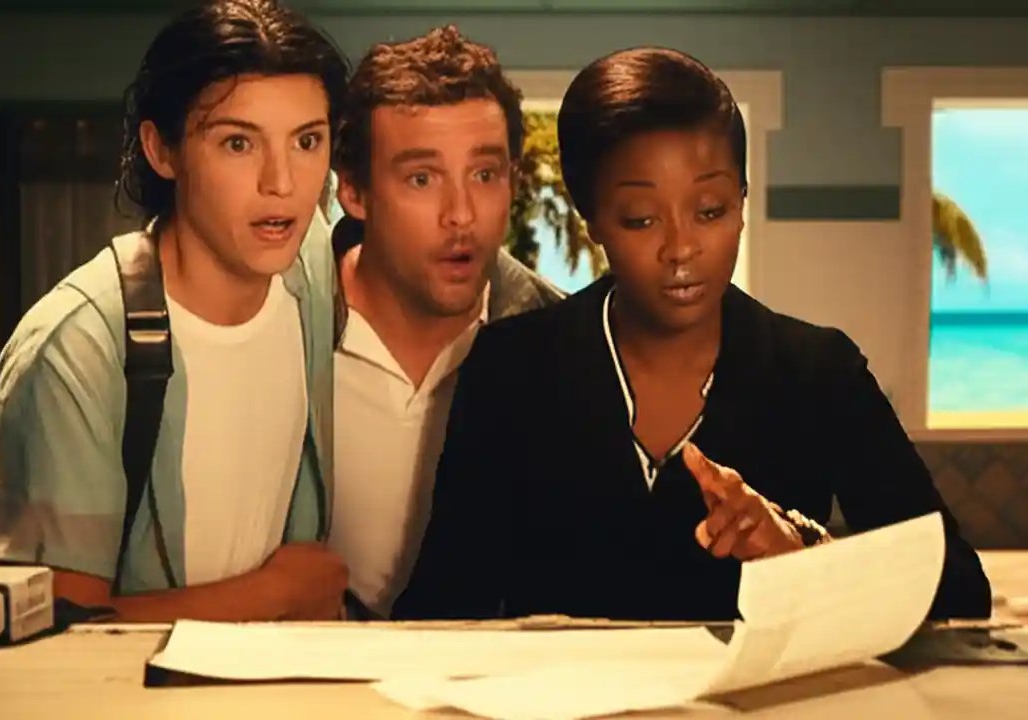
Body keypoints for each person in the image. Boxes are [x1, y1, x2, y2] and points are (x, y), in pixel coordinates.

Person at [394, 47, 992, 622]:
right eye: (641, 219)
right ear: (592, 218)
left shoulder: (819, 372)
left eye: (710, 210)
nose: (681, 249)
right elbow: (440, 608)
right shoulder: (511, 369)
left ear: (741, 199)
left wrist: (802, 554)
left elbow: (961, 592)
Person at [0, 0, 349, 622]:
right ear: (162, 149)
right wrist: (274, 596)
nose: (282, 182)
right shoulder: (77, 350)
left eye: (307, 141)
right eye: (237, 143)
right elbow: (51, 635)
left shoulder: (304, 263)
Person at [326, 25, 562, 619]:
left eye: (484, 175)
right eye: (421, 179)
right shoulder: (281, 327)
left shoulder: (561, 347)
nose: (461, 216)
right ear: (353, 190)